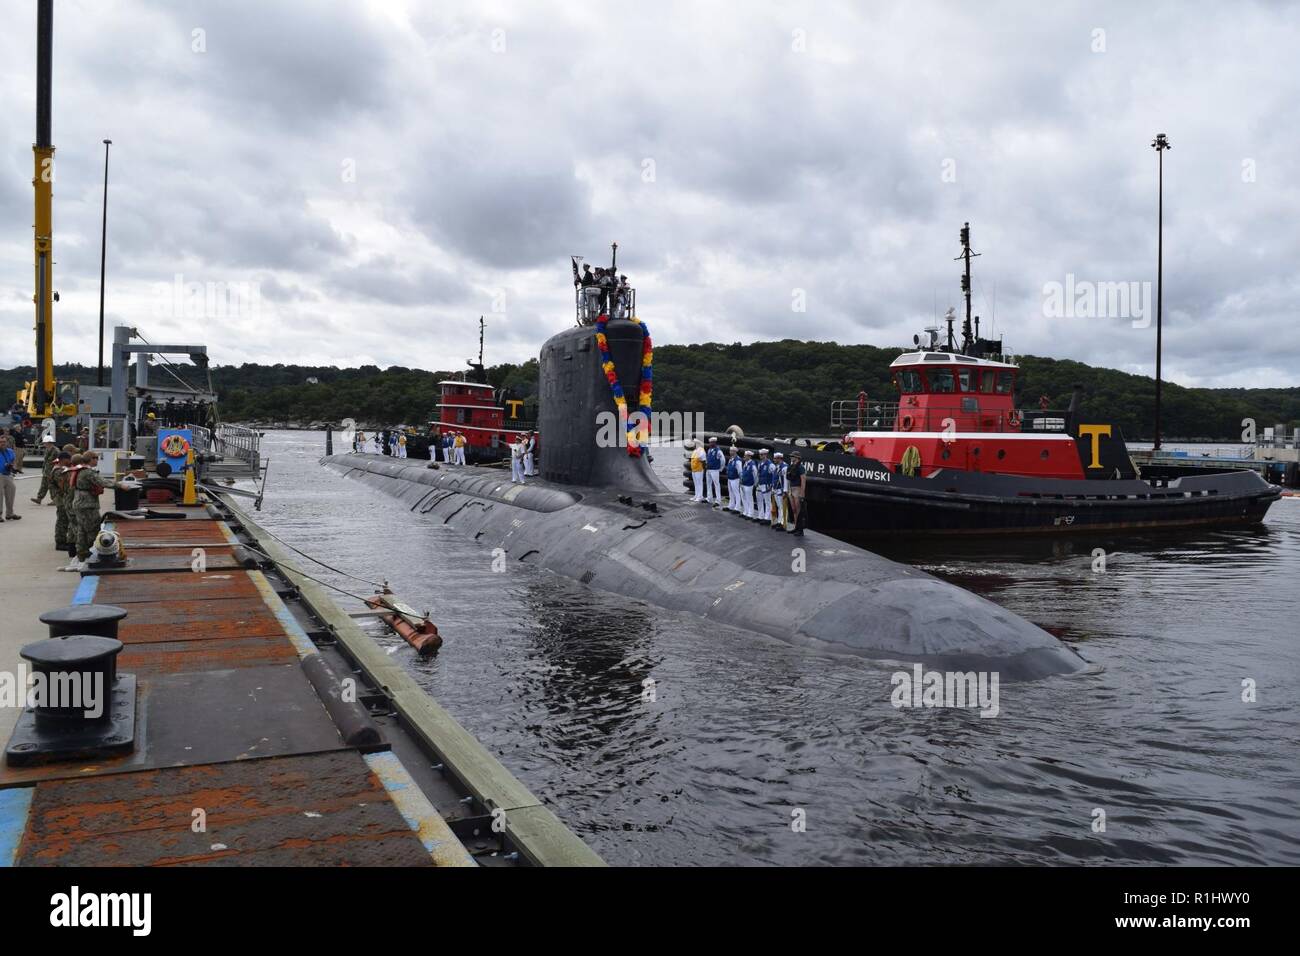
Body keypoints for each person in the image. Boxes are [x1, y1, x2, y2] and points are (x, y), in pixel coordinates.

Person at [68, 450, 108, 571]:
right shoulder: (88, 472)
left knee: (81, 530)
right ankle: (93, 556)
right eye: (96, 458)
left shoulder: (80, 470)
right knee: (92, 530)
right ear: (90, 459)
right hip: (88, 505)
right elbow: (103, 482)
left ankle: (81, 555)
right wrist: (121, 485)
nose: (97, 460)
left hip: (79, 503)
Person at [49, 450, 72, 552]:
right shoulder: (58, 471)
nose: (70, 461)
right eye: (68, 459)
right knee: (62, 520)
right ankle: (60, 542)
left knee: (64, 520)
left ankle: (63, 540)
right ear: (63, 460)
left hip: (62, 497)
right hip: (60, 498)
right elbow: (62, 486)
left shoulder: (61, 469)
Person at [0, 432, 21, 521]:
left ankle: (9, 513)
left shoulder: (10, 451)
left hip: (7, 474)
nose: (2, 443)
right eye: (0, 442)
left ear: (7, 442)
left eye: (4, 442)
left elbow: (13, 462)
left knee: (11, 491)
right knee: (0, 494)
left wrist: (14, 468)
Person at [31, 436, 58, 504]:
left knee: (51, 486)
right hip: (47, 470)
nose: (44, 444)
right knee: (43, 485)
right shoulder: (47, 449)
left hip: (52, 470)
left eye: (45, 443)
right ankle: (39, 498)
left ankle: (55, 499)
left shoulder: (55, 450)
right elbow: (45, 461)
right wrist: (43, 468)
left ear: (49, 442)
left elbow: (52, 461)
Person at [786, 450, 807, 536]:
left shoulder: (800, 467)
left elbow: (803, 479)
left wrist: (802, 492)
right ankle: (796, 527)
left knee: (798, 510)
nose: (791, 457)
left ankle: (800, 529)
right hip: (792, 489)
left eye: (793, 456)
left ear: (797, 458)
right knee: (794, 510)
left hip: (797, 489)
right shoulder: (791, 466)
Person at [704, 436, 723, 507]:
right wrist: (706, 464)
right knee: (708, 484)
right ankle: (709, 498)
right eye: (710, 442)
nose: (710, 443)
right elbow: (707, 458)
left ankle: (718, 500)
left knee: (716, 484)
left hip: (715, 470)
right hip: (709, 469)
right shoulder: (709, 450)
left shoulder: (718, 451)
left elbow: (723, 460)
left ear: (714, 442)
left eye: (711, 442)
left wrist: (720, 468)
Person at [755, 448, 773, 523]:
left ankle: (768, 518)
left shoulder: (770, 464)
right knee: (759, 500)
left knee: (767, 501)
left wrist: (771, 485)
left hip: (766, 484)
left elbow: (773, 475)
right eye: (760, 455)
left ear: (765, 455)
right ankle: (760, 515)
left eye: (762, 455)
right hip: (760, 484)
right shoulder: (760, 463)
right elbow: (758, 474)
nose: (760, 456)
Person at [770, 452, 787, 529]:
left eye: (775, 458)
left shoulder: (784, 467)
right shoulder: (777, 467)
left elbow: (785, 480)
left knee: (782, 507)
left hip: (781, 489)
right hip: (776, 489)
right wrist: (773, 488)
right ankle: (779, 522)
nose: (774, 460)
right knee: (779, 506)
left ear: (779, 458)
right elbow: (775, 478)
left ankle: (783, 523)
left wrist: (785, 491)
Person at [739, 449, 756, 518]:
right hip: (743, 483)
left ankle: (750, 513)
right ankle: (745, 511)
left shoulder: (752, 464)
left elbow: (755, 475)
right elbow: (743, 473)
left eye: (745, 456)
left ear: (749, 456)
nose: (744, 457)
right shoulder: (745, 464)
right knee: (744, 498)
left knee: (749, 498)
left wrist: (754, 483)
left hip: (749, 484)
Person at [724, 447, 741, 512]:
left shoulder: (738, 460)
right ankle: (731, 505)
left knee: (736, 493)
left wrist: (740, 478)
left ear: (735, 452)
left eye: (732, 451)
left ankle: (737, 507)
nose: (730, 452)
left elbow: (739, 470)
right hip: (730, 478)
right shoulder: (731, 459)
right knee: (730, 492)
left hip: (735, 478)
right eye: (730, 451)